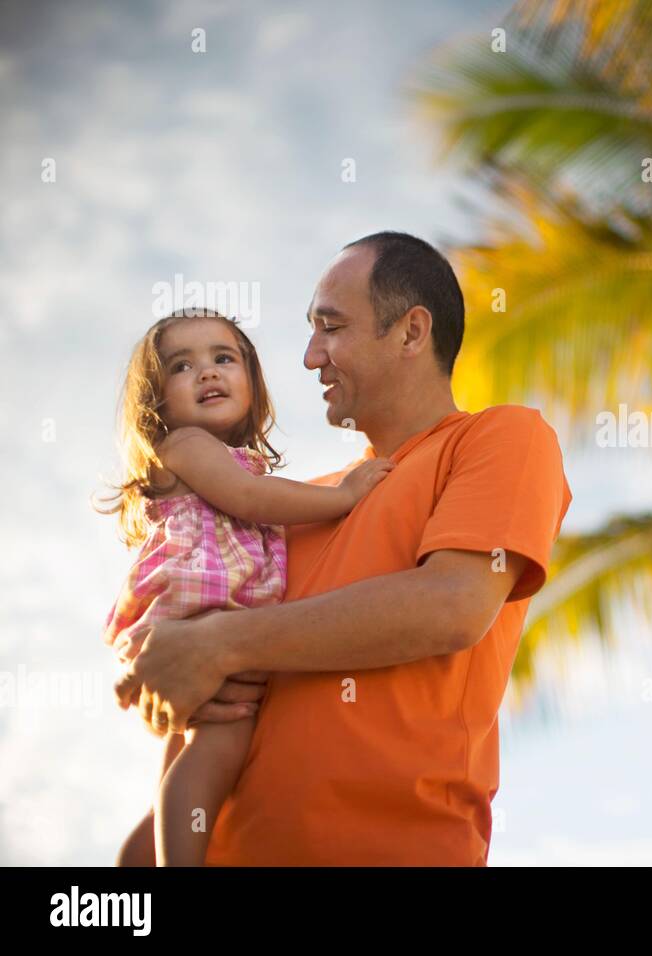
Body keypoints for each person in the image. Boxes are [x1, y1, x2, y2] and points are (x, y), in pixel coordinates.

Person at [113, 232, 572, 865]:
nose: (308, 357)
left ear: (412, 332)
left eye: (331, 327)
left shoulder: (501, 438)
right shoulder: (288, 507)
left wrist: (215, 644)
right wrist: (152, 663)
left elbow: (451, 606)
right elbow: (187, 669)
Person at [98, 308, 393, 865]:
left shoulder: (225, 460)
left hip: (204, 621)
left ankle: (144, 855)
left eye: (223, 358)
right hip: (199, 614)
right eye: (182, 366)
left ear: (252, 382)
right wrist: (346, 495)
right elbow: (255, 500)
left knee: (191, 748)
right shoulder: (186, 445)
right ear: (157, 402)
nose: (207, 373)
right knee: (220, 743)